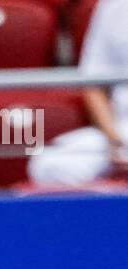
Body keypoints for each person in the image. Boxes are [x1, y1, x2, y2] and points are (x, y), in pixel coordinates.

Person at [29, 0, 128, 187]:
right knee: (50, 166)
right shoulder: (114, 6)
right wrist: (115, 142)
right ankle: (111, 210)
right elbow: (94, 85)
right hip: (123, 129)